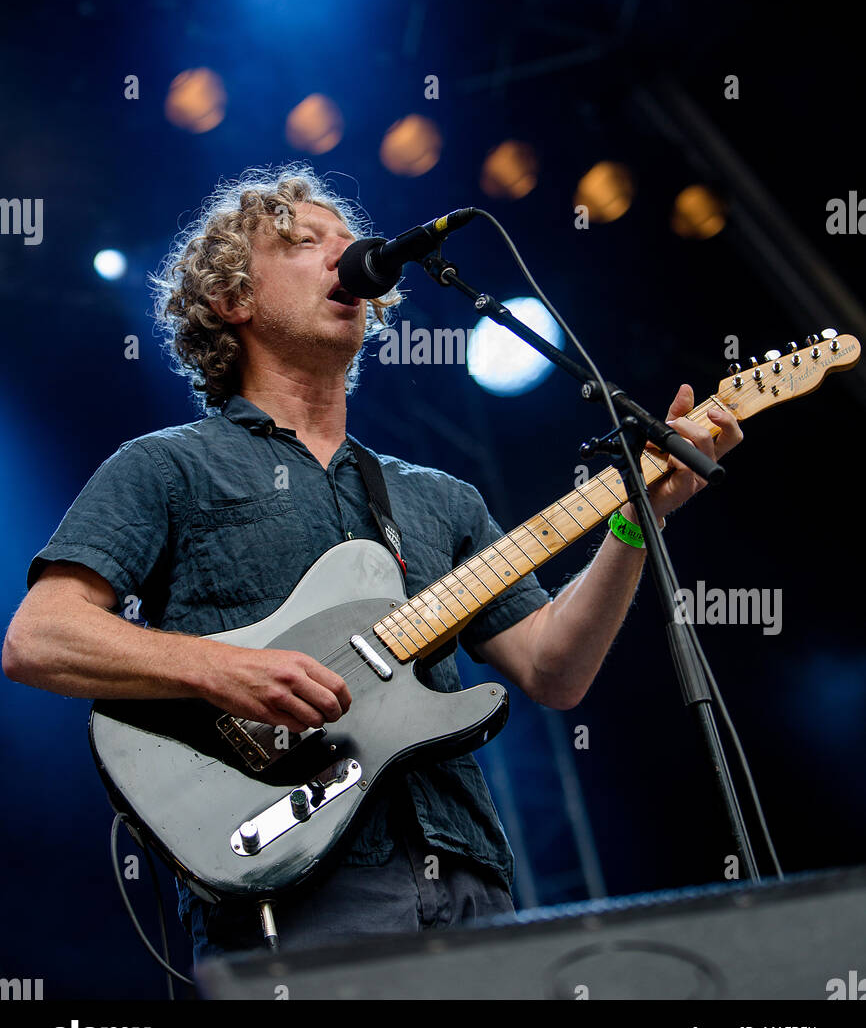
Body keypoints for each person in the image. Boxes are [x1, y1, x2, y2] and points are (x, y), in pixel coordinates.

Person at [2, 166, 742, 965]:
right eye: (304, 243)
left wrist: (635, 522)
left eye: (347, 241)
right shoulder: (165, 467)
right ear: (231, 301)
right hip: (289, 883)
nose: (346, 254)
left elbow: (556, 672)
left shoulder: (438, 499)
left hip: (468, 878)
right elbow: (39, 639)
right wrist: (220, 669)